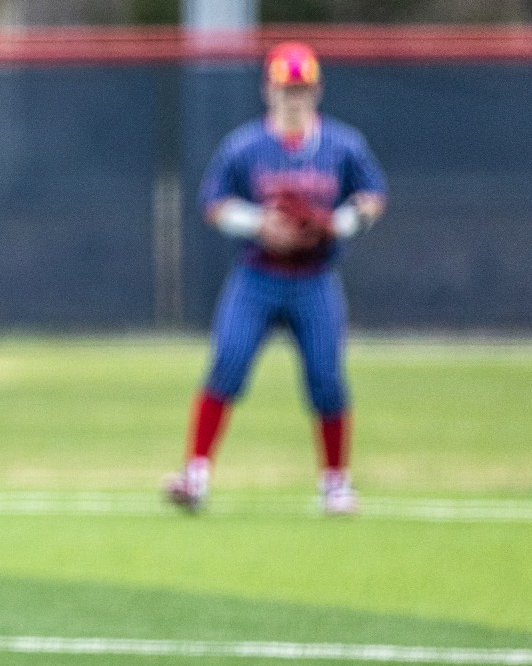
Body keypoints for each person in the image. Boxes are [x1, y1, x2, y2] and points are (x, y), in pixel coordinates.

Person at [164, 42, 387, 516]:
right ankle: (196, 475)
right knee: (227, 363)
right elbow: (213, 203)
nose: (294, 99)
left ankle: (335, 483)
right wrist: (258, 223)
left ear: (317, 90)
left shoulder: (341, 144)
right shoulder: (245, 146)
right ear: (268, 91)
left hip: (314, 277)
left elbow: (372, 196)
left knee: (326, 378)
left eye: (302, 89)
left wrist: (340, 223)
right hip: (258, 275)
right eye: (287, 89)